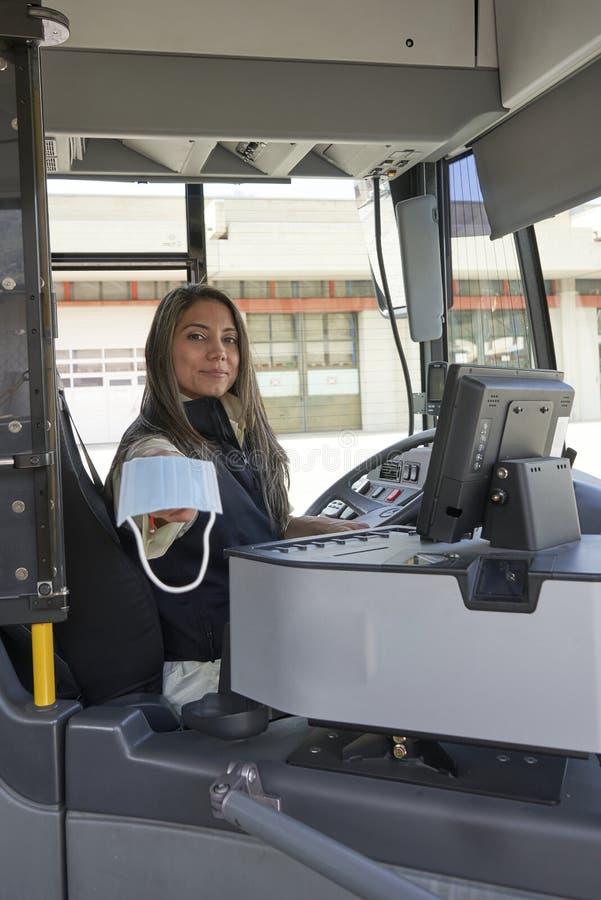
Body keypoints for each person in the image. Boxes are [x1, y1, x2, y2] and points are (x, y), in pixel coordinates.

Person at [107, 284, 366, 711]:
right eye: (196, 336)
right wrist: (167, 491)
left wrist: (348, 533)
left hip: (251, 646)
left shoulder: (226, 430)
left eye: (229, 339)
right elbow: (156, 484)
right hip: (206, 674)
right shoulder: (154, 444)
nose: (218, 352)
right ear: (162, 350)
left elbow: (259, 527)